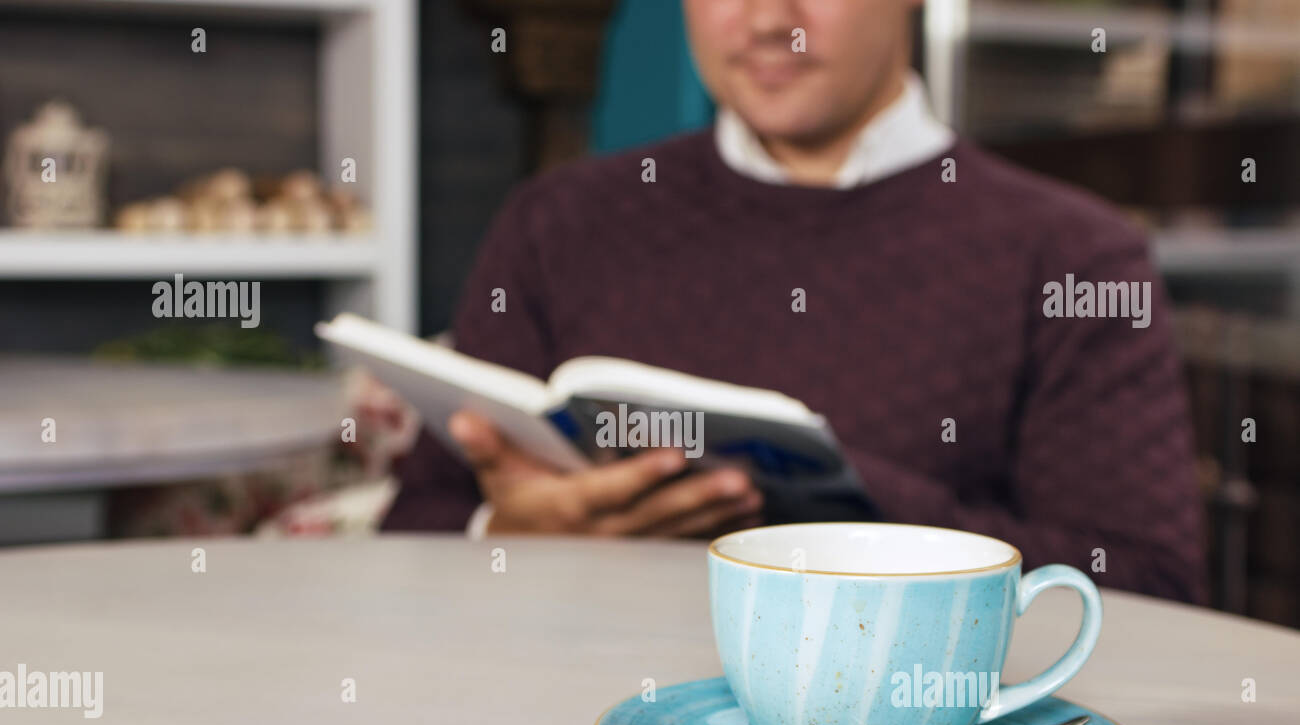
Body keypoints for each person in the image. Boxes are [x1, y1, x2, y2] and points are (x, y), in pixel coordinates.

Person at [383, 0, 1206, 603]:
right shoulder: (558, 221)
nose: (770, 20)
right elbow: (410, 532)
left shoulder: (1073, 257)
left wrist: (827, 496)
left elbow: (1147, 590)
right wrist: (510, 536)